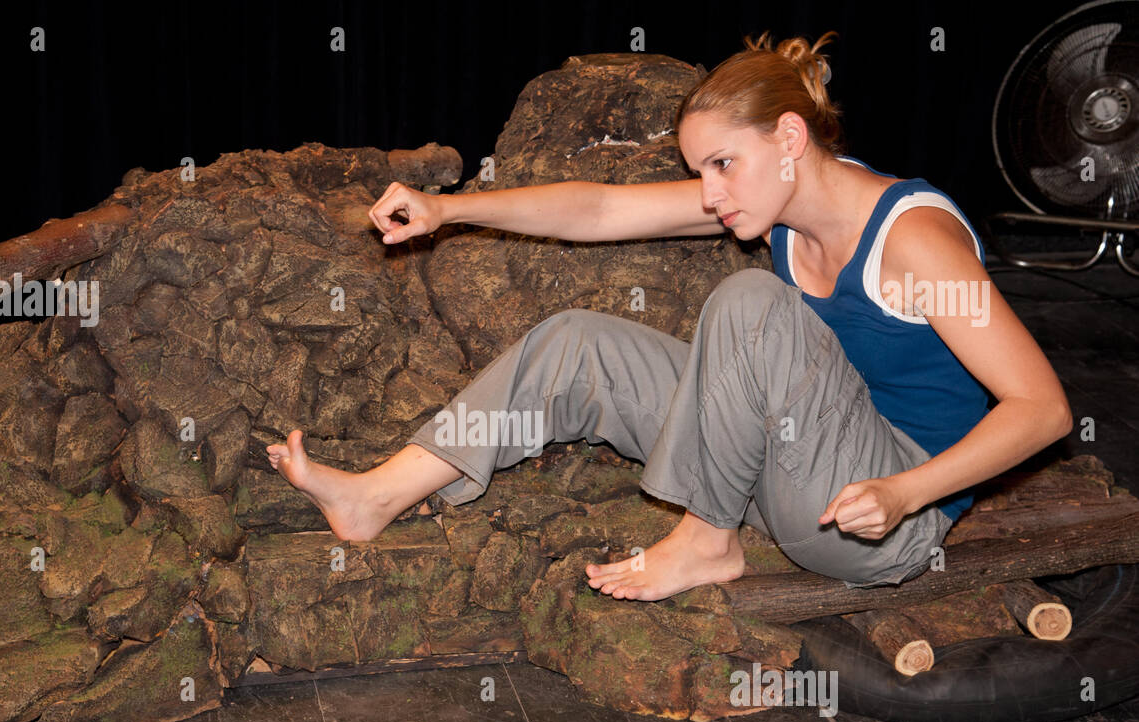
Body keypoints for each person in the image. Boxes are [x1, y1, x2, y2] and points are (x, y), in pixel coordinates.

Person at [265, 30, 1073, 602]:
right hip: (789, 475)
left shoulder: (916, 240)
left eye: (723, 165)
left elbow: (1042, 411)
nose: (711, 193)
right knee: (577, 342)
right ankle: (375, 497)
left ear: (790, 138)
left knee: (750, 302)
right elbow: (600, 208)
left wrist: (905, 493)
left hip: (878, 519)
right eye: (699, 173)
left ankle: (705, 541)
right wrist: (449, 210)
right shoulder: (777, 202)